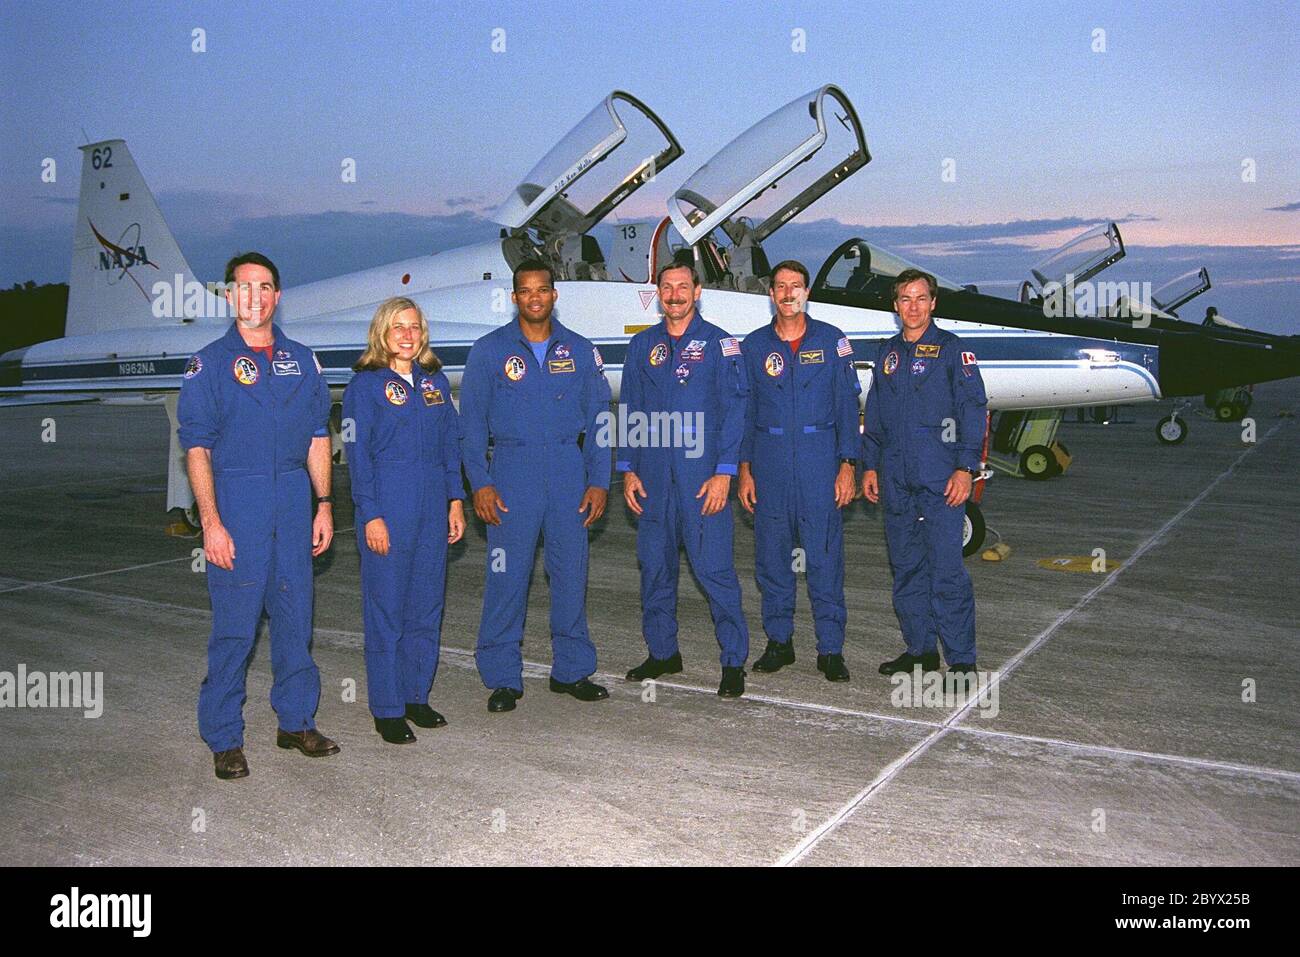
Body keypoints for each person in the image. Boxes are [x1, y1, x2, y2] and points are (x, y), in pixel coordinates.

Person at [177, 252, 338, 780]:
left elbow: (318, 435)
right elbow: (197, 447)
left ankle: (295, 722)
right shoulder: (209, 363)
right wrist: (212, 522)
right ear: (229, 295)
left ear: (277, 295)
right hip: (237, 501)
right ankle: (224, 735)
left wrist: (325, 505)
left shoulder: (302, 360)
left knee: (296, 623)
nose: (255, 296)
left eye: (265, 287)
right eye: (245, 287)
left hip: (294, 500)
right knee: (235, 631)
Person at [459, 260, 611, 713]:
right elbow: (470, 427)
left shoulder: (581, 351)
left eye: (542, 290)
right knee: (507, 577)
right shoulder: (488, 351)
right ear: (514, 297)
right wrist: (481, 484)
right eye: (525, 291)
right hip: (511, 472)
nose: (535, 298)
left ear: (554, 294)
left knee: (570, 575)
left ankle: (572, 670)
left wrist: (600, 482)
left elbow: (602, 422)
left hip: (568, 471)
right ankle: (503, 676)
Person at [619, 259, 751, 698]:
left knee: (714, 572)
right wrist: (628, 469)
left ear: (697, 292)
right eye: (666, 287)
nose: (674, 294)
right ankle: (663, 653)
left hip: (701, 479)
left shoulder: (720, 344)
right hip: (654, 479)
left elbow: (736, 413)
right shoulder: (643, 346)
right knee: (655, 571)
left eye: (682, 286)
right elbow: (631, 409)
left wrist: (724, 473)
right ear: (658, 293)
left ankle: (733, 661)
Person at [342, 297, 465, 744]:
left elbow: (451, 445)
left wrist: (456, 500)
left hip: (433, 506)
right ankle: (388, 707)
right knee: (386, 610)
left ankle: (417, 695)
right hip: (387, 508)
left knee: (426, 608)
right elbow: (357, 458)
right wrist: (370, 515)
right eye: (398, 327)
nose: (407, 335)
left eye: (414, 327)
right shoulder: (365, 387)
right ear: (381, 334)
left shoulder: (434, 384)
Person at [738, 260, 861, 682]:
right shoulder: (753, 347)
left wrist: (847, 465)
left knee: (824, 560)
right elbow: (745, 412)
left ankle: (830, 650)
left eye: (796, 286)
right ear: (771, 294)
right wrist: (745, 469)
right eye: (780, 286)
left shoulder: (832, 341)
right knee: (773, 560)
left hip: (819, 463)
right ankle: (779, 642)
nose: (788, 293)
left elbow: (848, 406)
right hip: (769, 465)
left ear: (807, 292)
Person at [861, 268, 987, 678]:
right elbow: (875, 415)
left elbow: (973, 409)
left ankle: (962, 660)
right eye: (904, 299)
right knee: (906, 568)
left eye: (920, 299)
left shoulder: (953, 351)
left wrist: (967, 467)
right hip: (896, 479)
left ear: (933, 303)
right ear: (895, 305)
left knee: (947, 571)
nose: (912, 307)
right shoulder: (888, 354)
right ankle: (920, 651)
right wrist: (869, 465)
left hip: (941, 478)